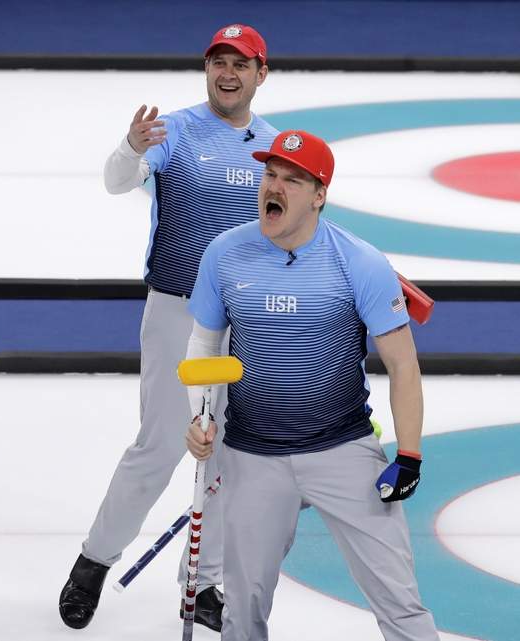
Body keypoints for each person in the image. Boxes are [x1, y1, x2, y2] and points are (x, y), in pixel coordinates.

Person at [58, 24, 277, 632]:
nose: (227, 73)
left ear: (263, 73)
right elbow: (116, 181)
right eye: (217, 62)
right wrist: (130, 147)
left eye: (240, 64)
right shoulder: (173, 130)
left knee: (231, 456)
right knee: (158, 447)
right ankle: (93, 562)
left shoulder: (275, 146)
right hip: (176, 311)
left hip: (244, 323)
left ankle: (202, 585)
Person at [185, 130, 439, 641]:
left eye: (292, 180)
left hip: (342, 450)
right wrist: (200, 418)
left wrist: (408, 454)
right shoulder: (224, 254)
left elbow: (403, 364)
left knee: (400, 602)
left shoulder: (359, 262)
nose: (273, 187)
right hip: (252, 453)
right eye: (270, 174)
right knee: (242, 609)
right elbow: (203, 347)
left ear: (319, 194)